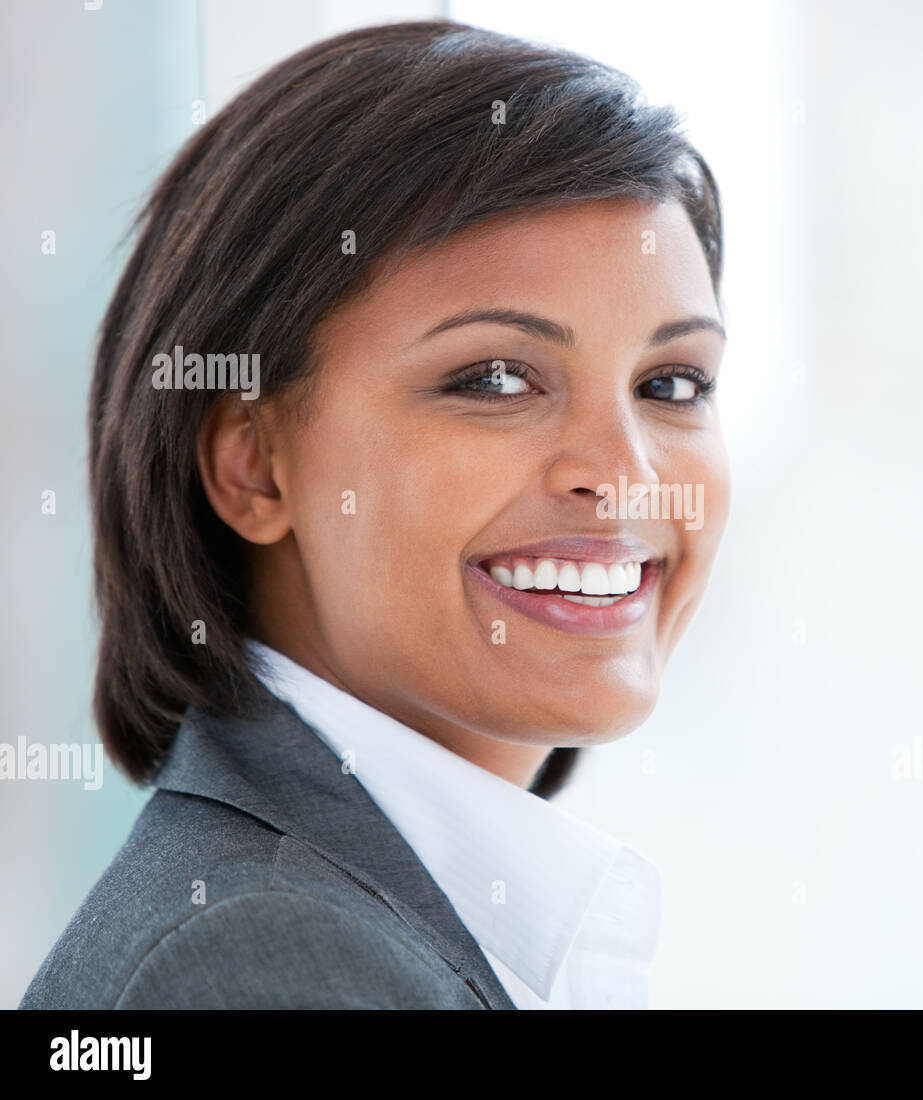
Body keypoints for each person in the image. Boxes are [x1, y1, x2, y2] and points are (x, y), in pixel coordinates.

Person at [20, 18, 728, 1009]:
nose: (623, 473)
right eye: (494, 377)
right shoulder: (256, 960)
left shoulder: (364, 922)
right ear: (255, 466)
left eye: (674, 381)